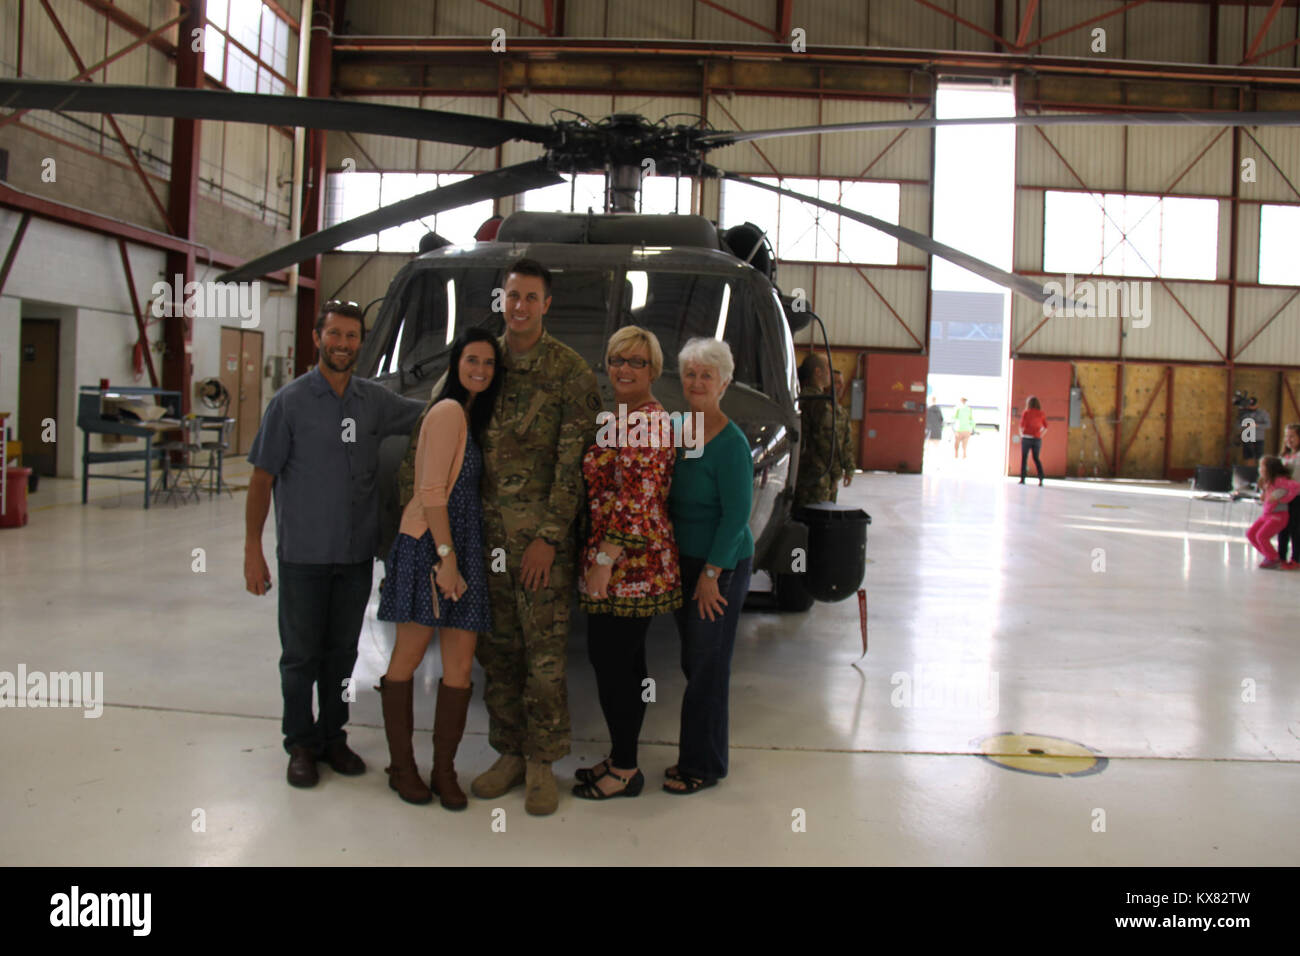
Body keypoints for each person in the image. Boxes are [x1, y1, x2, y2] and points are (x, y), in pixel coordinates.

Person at [244, 301, 425, 788]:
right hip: (303, 555)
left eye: (351, 337)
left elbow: (430, 417)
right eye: (335, 334)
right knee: (301, 655)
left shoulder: (374, 401)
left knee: (342, 653)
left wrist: (474, 391)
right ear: (317, 338)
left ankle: (332, 735)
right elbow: (262, 479)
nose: (343, 344)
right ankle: (300, 743)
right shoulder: (290, 402)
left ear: (360, 343)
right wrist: (252, 550)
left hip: (353, 556)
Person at [468, 258, 601, 816]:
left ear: (547, 305)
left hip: (542, 547)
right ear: (501, 301)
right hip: (485, 541)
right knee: (497, 655)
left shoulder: (569, 372)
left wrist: (549, 538)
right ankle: (510, 754)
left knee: (544, 660)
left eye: (530, 297)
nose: (518, 306)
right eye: (511, 296)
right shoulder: (479, 364)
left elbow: (577, 465)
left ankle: (544, 762)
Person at [376, 328, 501, 809]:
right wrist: (446, 562)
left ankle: (443, 769)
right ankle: (402, 766)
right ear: (456, 363)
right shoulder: (448, 411)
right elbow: (430, 491)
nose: (481, 370)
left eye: (490, 363)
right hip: (431, 545)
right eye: (473, 359)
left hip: (462, 546)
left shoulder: (471, 415)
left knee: (461, 666)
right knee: (407, 658)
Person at [572, 326, 682, 800]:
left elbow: (638, 497)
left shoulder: (649, 420)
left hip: (629, 565)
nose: (625, 369)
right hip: (616, 559)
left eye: (637, 362)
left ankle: (626, 769)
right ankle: (622, 757)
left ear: (654, 370)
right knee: (620, 662)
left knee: (615, 663)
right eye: (618, 359)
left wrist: (602, 560)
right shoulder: (620, 416)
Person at [664, 337, 754, 794]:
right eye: (690, 374)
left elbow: (737, 516)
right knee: (695, 660)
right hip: (683, 560)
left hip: (720, 563)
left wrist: (712, 574)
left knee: (708, 664)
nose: (697, 382)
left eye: (707, 375)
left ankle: (703, 764)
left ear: (724, 384)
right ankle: (700, 753)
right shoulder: (680, 428)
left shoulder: (731, 444)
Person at [793, 353, 835, 507]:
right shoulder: (820, 404)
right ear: (818, 372)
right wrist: (835, 473)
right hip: (817, 477)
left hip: (797, 474)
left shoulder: (798, 399)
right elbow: (827, 444)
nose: (830, 373)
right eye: (828, 369)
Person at [1247, 456, 1300, 569]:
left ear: (1270, 469)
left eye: (1262, 467)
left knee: (1261, 536)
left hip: (1278, 515)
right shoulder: (1267, 481)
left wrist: (1278, 496)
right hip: (1267, 515)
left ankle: (1274, 558)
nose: (1260, 469)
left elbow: (1292, 487)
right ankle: (1270, 556)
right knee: (1251, 534)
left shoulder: (1280, 481)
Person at [1276, 424, 1300, 568]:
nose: (1288, 439)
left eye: (1292, 436)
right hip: (1282, 498)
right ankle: (1281, 557)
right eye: (1286, 436)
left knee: (1295, 528)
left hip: (1297, 497)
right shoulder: (1284, 456)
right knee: (1282, 527)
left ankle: (1296, 558)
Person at [829, 368, 855, 502]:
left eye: (842, 383)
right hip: (817, 474)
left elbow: (847, 444)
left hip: (833, 476)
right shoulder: (817, 409)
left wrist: (849, 470)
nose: (841, 386)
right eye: (837, 382)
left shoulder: (841, 413)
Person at [1018, 396, 1048, 486]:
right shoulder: (1041, 413)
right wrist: (1040, 435)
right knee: (1036, 458)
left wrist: (1022, 435)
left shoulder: (1026, 413)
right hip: (1037, 439)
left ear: (1029, 404)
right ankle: (1041, 479)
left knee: (1024, 458)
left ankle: (1023, 479)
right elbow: (1046, 427)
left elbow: (1021, 426)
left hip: (1026, 438)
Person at [1241, 396, 1270, 463]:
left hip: (1258, 438)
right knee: (1248, 456)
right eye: (1250, 405)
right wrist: (1244, 425)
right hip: (1247, 437)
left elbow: (1268, 425)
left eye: (1253, 405)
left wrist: (1257, 425)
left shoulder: (1263, 413)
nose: (1251, 407)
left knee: (1259, 456)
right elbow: (1238, 424)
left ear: (1257, 405)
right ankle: (1249, 471)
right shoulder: (1244, 413)